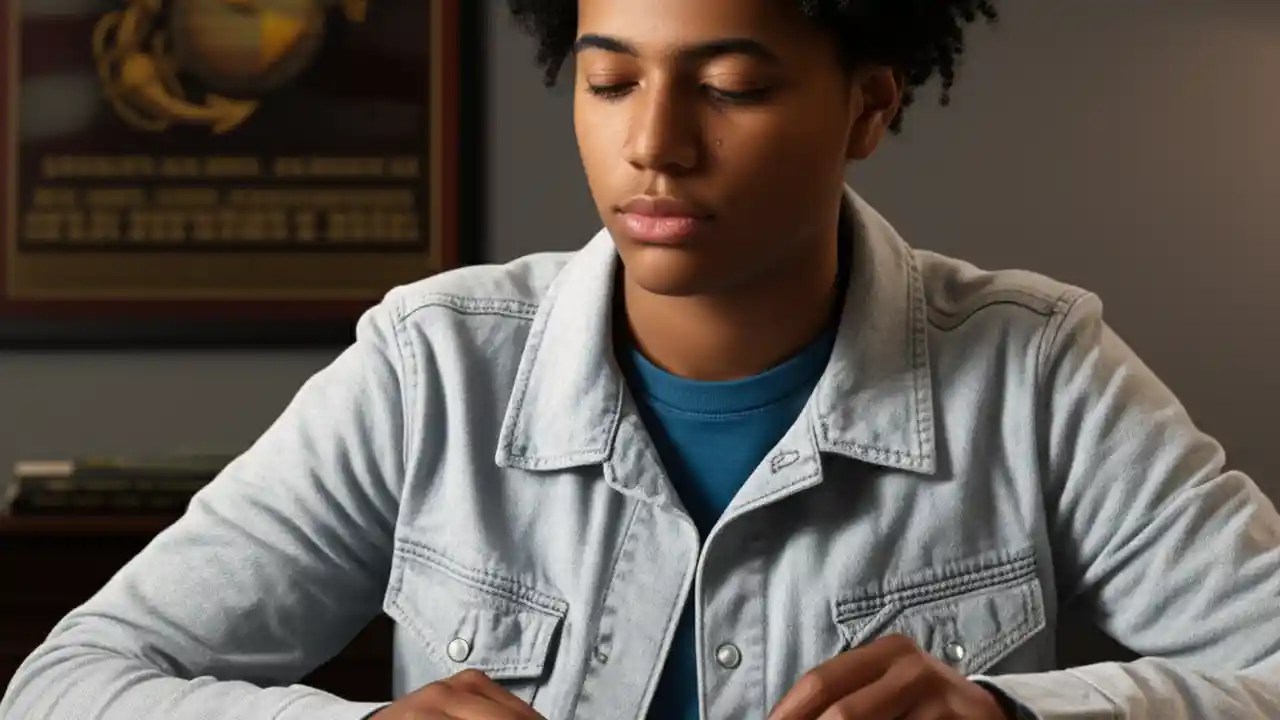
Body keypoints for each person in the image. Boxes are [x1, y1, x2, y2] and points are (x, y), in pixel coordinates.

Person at [3, 0, 1279, 718]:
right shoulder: (430, 368)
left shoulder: (1038, 370)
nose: (652, 146)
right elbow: (65, 688)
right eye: (609, 82)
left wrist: (1005, 718)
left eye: (726, 86)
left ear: (871, 107)